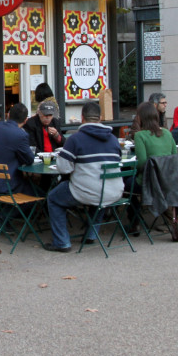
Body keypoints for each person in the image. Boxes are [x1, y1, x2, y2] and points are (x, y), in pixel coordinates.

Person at [45, 102, 123, 252]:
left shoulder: (76, 139)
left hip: (86, 191)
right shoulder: (113, 139)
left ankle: (62, 242)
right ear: (100, 118)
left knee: (53, 197)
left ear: (82, 118)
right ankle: (91, 234)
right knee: (100, 194)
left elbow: (63, 168)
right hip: (113, 191)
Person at [0, 103, 34, 196]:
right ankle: (8, 211)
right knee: (38, 192)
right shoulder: (21, 135)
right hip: (7, 185)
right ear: (25, 120)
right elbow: (29, 160)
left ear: (8, 115)